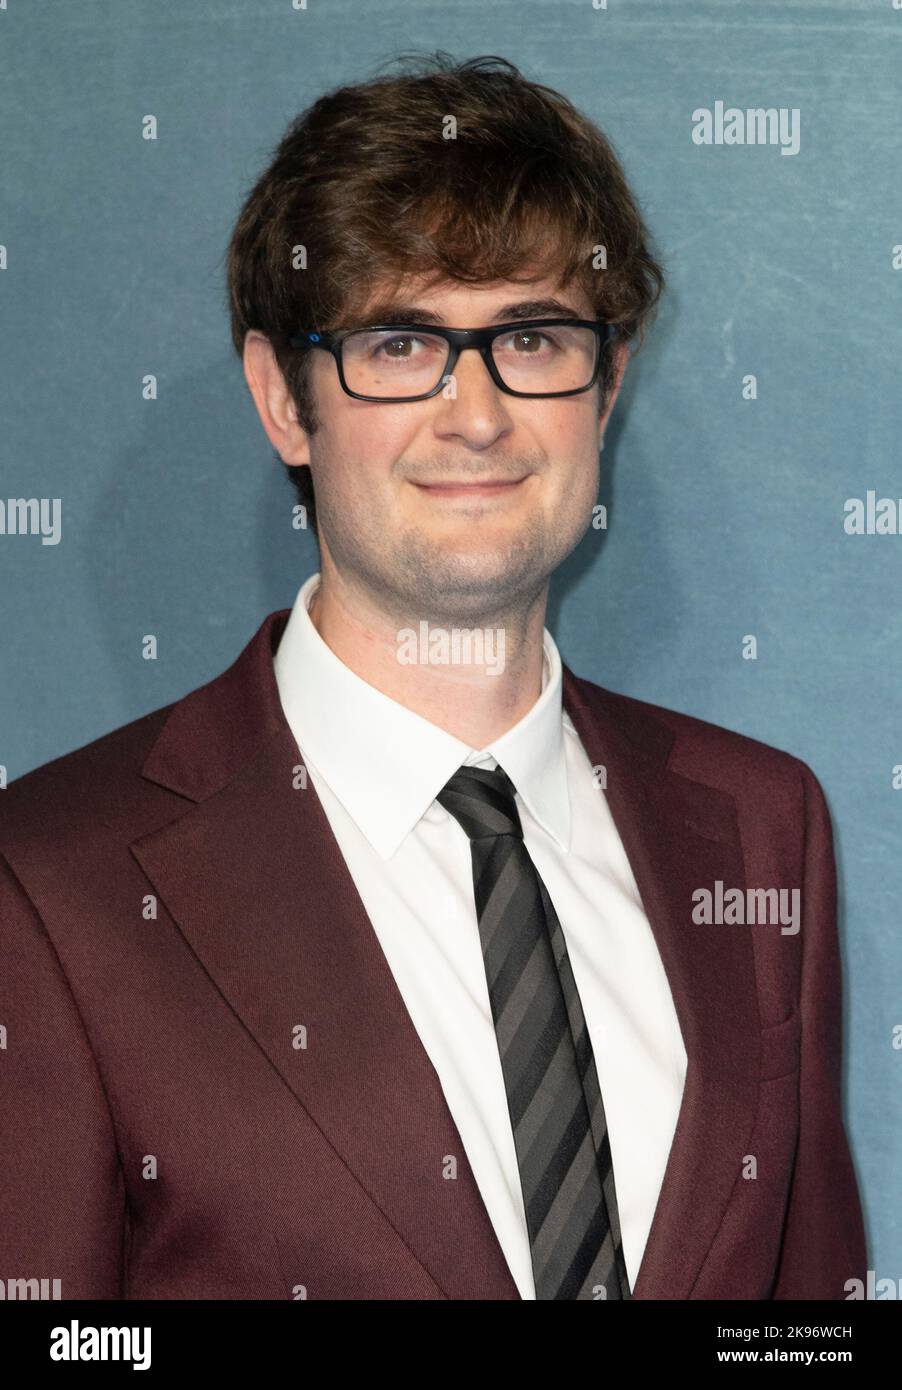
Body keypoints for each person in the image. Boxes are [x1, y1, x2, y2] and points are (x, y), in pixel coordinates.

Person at [0, 53, 866, 1300]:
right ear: (283, 402)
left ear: (605, 387)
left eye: (530, 336)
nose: (476, 413)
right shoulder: (49, 887)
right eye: (401, 344)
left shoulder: (761, 826)